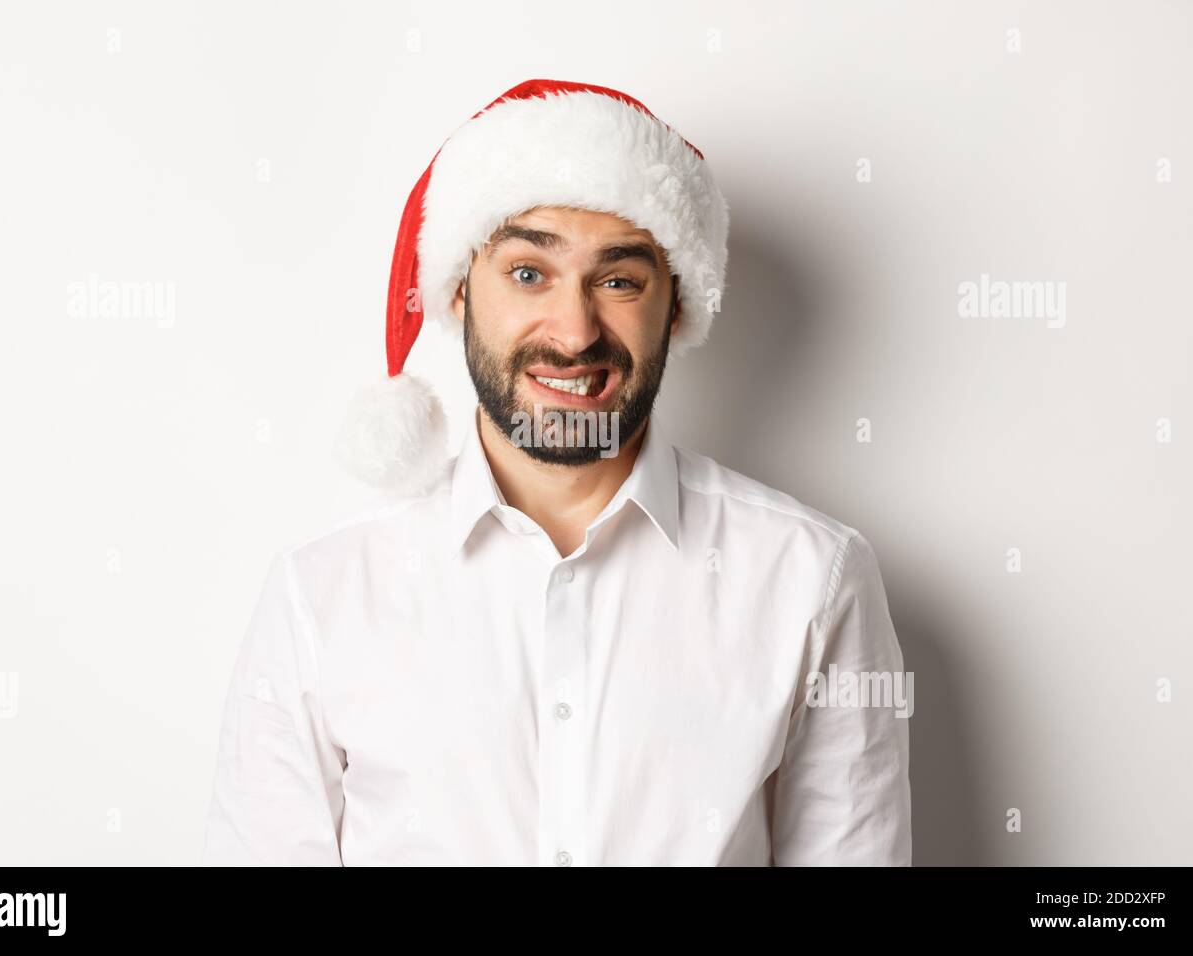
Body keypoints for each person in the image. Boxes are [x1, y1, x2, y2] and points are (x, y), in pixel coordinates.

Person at [201, 78, 911, 866]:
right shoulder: (320, 595)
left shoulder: (812, 579)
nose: (573, 334)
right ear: (460, 292)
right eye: (529, 273)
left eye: (618, 280)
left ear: (676, 307)